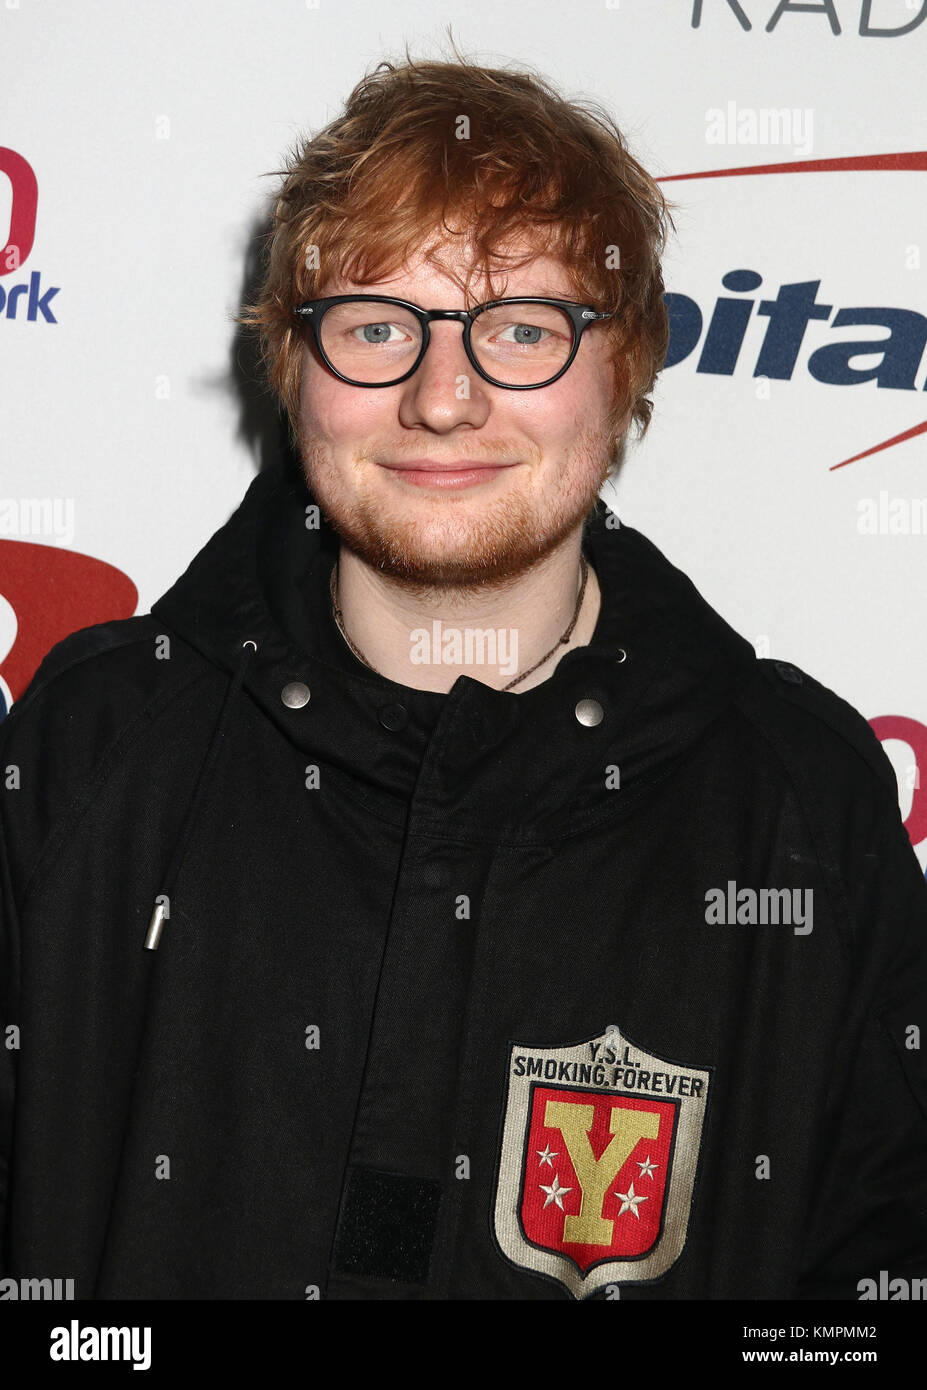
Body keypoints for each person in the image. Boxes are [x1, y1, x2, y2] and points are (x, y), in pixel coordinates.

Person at [1, 48, 926, 1303]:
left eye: (523, 330)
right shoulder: (89, 744)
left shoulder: (806, 808)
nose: (445, 397)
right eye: (378, 325)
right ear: (294, 364)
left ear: (628, 367)